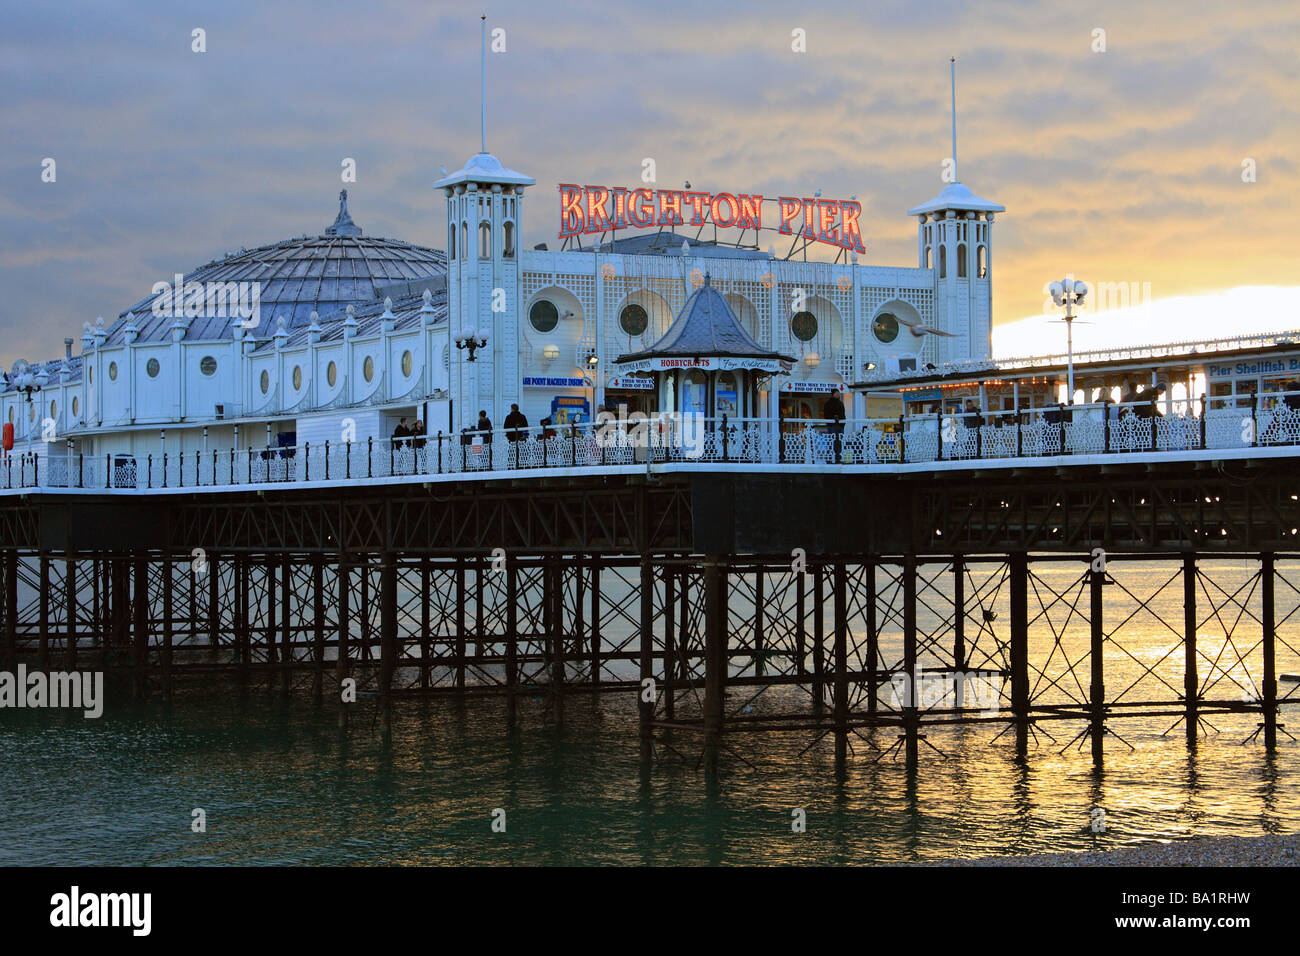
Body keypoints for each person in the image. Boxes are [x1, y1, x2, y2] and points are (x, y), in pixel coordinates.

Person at [822, 389, 846, 463]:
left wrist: (842, 424)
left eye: (838, 393)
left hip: (840, 426)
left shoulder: (840, 403)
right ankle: (830, 458)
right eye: (836, 393)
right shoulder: (828, 404)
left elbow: (843, 414)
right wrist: (831, 422)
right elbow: (826, 414)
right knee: (831, 442)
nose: (838, 394)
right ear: (833, 394)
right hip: (832, 426)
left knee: (839, 442)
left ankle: (838, 458)